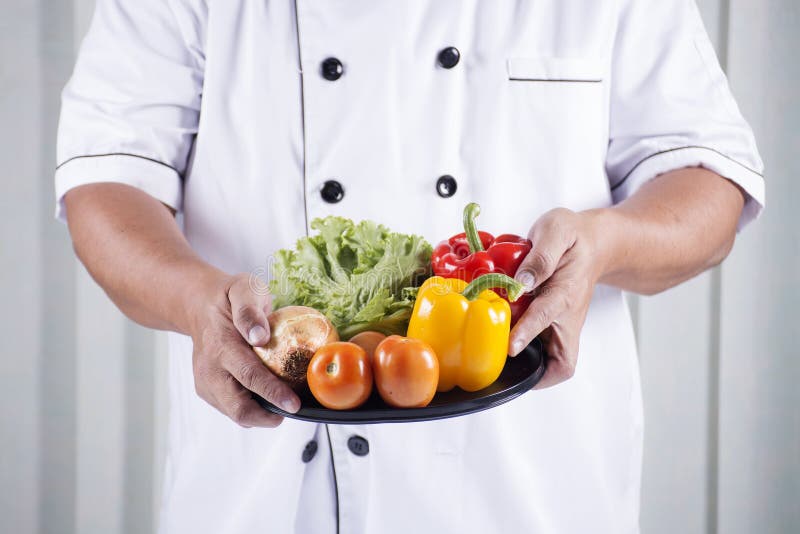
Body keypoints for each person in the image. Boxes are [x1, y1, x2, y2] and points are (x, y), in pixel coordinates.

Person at [56, 1, 764, 532]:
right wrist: (192, 301)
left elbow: (708, 185)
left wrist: (606, 241)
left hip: (529, 490)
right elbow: (107, 180)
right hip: (266, 491)